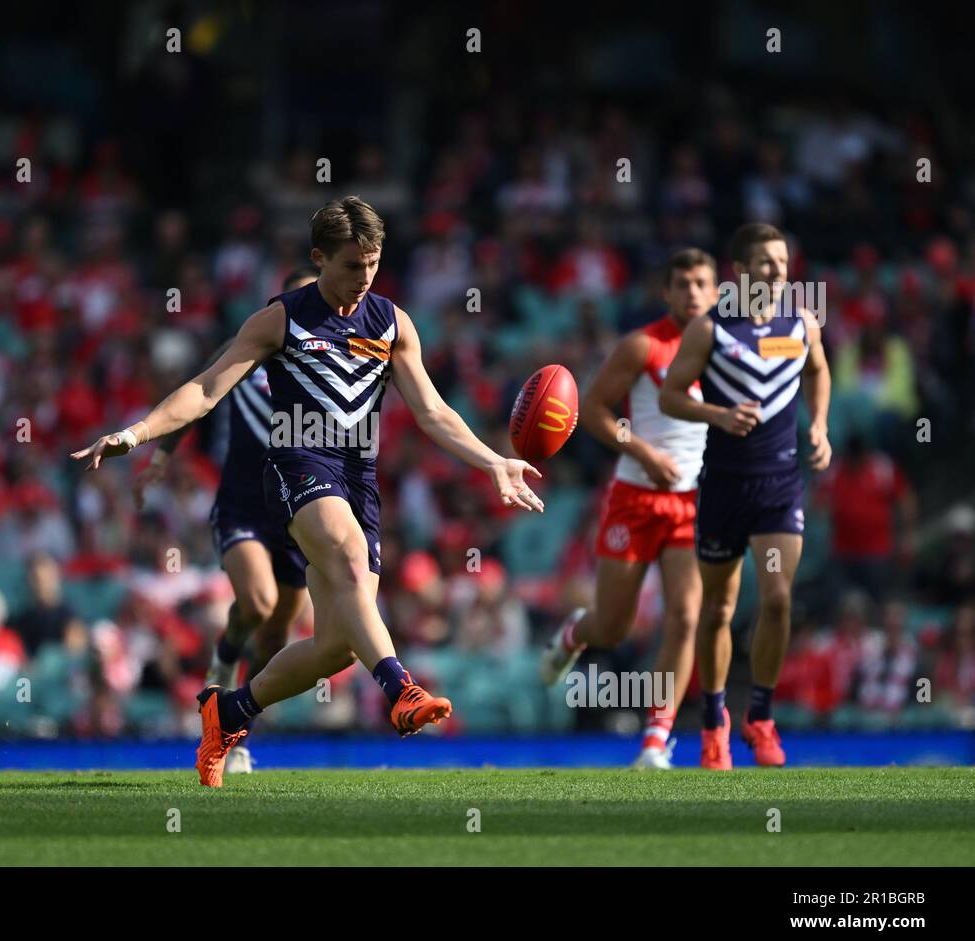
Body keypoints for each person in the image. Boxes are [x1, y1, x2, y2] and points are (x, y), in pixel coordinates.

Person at [73, 196, 544, 786]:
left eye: (373, 263)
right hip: (296, 462)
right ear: (319, 258)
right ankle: (402, 688)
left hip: (358, 479)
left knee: (338, 646)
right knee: (348, 561)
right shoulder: (282, 318)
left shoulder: (393, 324)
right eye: (352, 265)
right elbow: (204, 389)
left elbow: (433, 412)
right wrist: (135, 434)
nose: (364, 276)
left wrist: (493, 461)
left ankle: (230, 710)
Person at [132, 265, 319, 775]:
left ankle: (234, 734)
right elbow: (198, 396)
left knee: (280, 632)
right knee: (257, 603)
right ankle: (223, 658)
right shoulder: (248, 348)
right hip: (241, 506)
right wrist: (161, 457)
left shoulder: (330, 369)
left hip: (301, 514)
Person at [659, 223, 832, 769]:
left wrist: (821, 426)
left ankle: (761, 716)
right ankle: (714, 721)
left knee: (778, 599)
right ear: (740, 271)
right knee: (718, 610)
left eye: (782, 261)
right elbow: (669, 396)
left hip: (780, 484)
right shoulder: (711, 329)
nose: (777, 271)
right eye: (765, 262)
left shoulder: (801, 322)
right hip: (725, 486)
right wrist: (717, 414)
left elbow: (819, 369)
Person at [540, 248, 716, 769]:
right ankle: (574, 632)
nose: (691, 292)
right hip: (635, 499)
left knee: (686, 616)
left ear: (715, 292)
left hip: (690, 503)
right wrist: (643, 451)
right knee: (614, 627)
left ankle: (655, 741)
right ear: (667, 292)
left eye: (701, 283)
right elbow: (591, 410)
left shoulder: (724, 352)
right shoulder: (642, 346)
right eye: (681, 283)